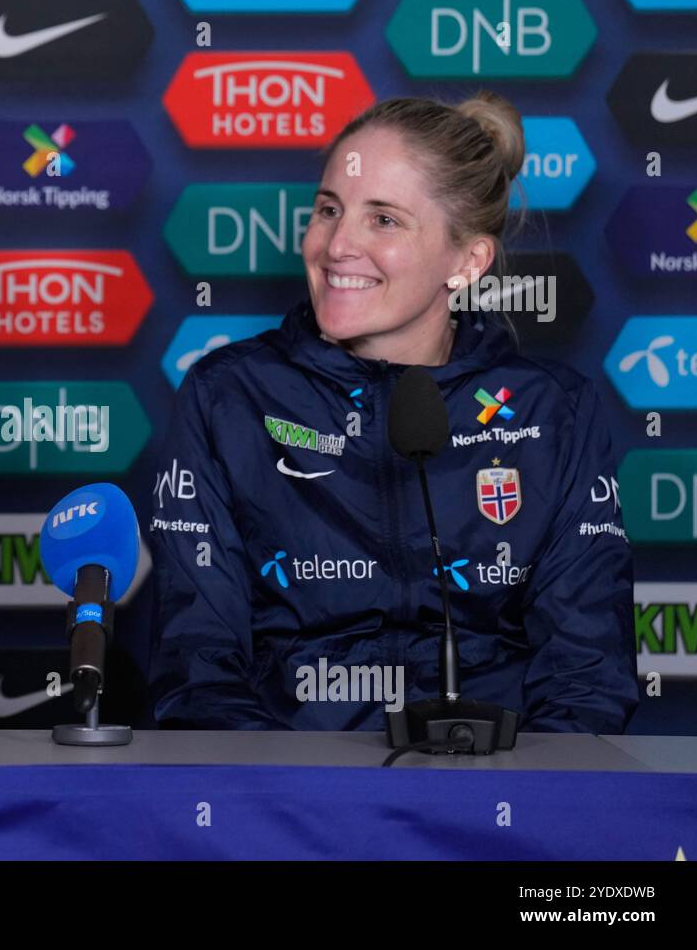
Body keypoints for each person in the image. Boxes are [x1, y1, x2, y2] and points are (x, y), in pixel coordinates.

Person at [148, 91, 637, 734]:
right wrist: (295, 807)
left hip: (491, 802)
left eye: (383, 220)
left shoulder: (556, 411)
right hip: (289, 804)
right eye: (329, 209)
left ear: (468, 261)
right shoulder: (227, 396)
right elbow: (197, 669)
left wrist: (504, 807)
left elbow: (586, 680)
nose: (336, 245)